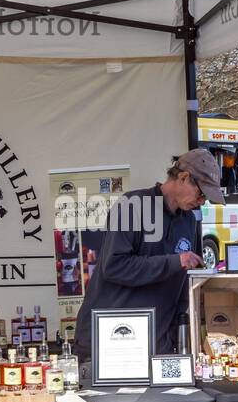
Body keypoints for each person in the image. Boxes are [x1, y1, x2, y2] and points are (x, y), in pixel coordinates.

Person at [73, 149, 221, 361]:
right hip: (108, 342)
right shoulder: (132, 205)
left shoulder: (189, 220)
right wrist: (175, 261)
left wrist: (176, 335)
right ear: (184, 177)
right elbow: (114, 266)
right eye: (201, 194)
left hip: (157, 345)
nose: (202, 201)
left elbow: (184, 281)